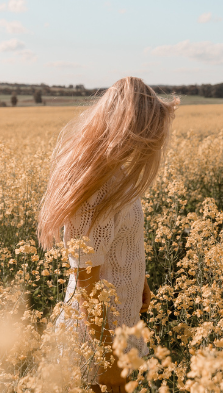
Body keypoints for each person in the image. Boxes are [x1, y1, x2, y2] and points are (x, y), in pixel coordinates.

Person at [37, 77, 178, 392]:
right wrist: (107, 359)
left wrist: (140, 281)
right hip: (96, 340)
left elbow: (118, 242)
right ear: (133, 129)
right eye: (152, 131)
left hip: (119, 326)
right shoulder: (97, 188)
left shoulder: (115, 174)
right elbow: (87, 284)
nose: (155, 141)